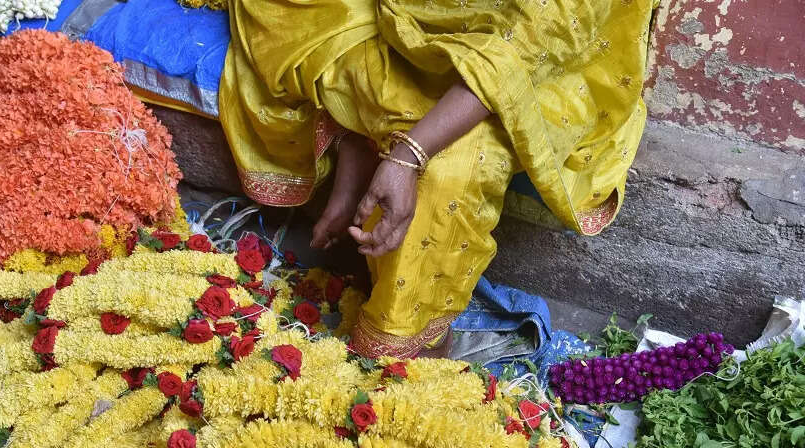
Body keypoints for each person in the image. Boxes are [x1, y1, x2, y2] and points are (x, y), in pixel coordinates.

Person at [219, 0, 654, 358]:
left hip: (535, 58)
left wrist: (409, 155)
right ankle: (356, 139)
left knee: (451, 168)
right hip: (408, 16)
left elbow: (524, 47)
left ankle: (406, 344)